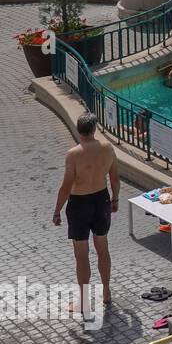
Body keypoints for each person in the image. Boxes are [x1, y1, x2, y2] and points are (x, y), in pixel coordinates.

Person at [52, 113, 119, 321]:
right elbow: (115, 177)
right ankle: (106, 291)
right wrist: (115, 199)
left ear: (79, 130)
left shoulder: (73, 154)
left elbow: (66, 186)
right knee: (102, 247)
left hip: (79, 204)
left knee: (81, 254)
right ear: (94, 129)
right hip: (101, 200)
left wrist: (57, 210)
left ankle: (83, 301)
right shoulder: (108, 149)